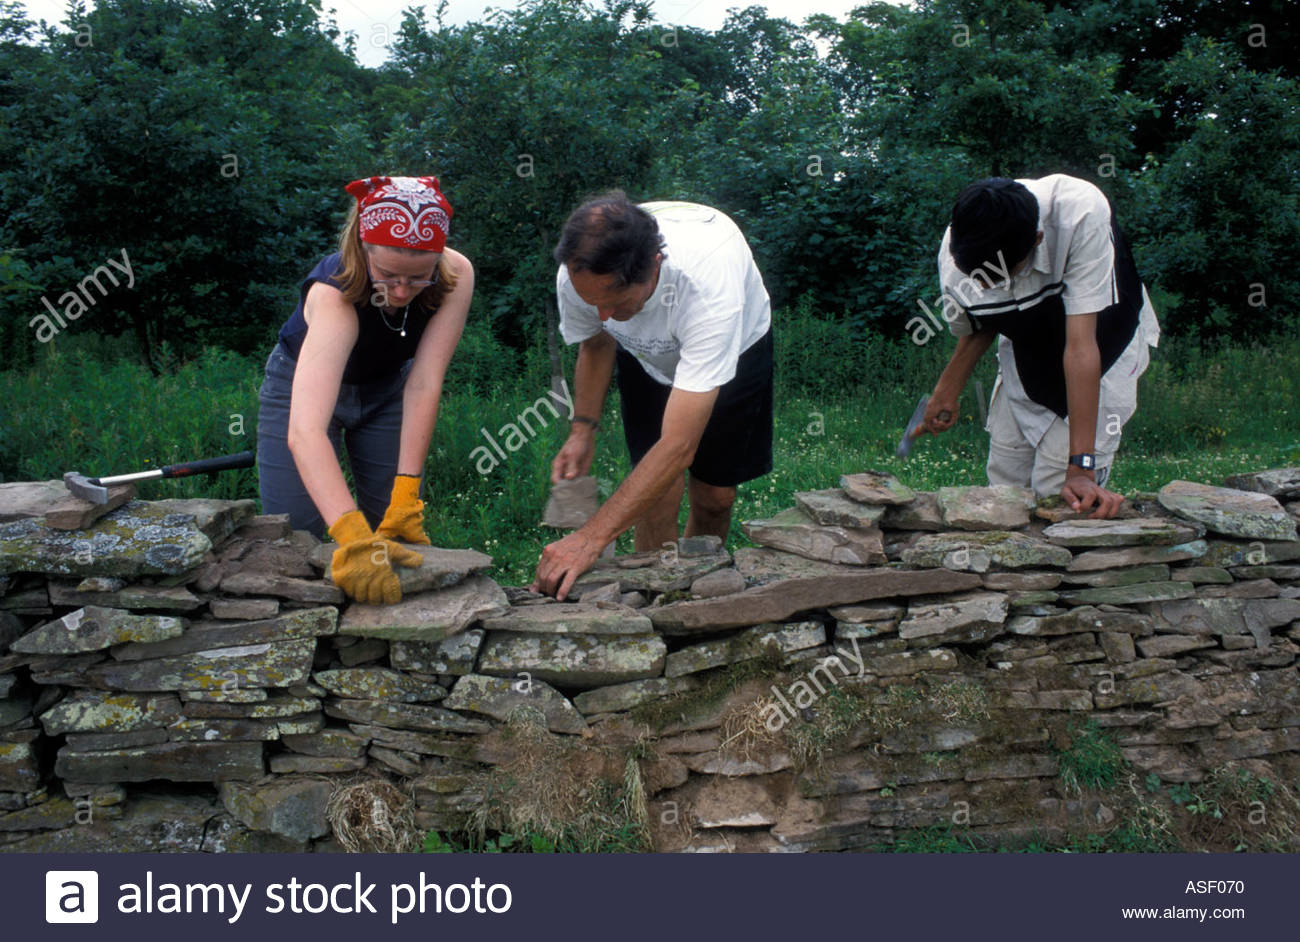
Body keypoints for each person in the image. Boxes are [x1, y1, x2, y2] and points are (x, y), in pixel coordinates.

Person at [531, 194, 774, 601]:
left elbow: (678, 446)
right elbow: (595, 344)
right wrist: (582, 430)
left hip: (735, 349)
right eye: (594, 303)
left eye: (616, 302)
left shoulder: (710, 291)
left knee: (715, 496)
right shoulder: (581, 274)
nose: (603, 315)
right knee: (658, 494)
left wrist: (589, 539)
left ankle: (698, 591)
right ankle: (656, 600)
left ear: (654, 266)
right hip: (647, 355)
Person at [256, 176, 474, 604]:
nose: (400, 292)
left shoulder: (456, 274)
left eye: (418, 278)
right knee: (294, 535)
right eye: (389, 275)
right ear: (363, 245)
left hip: (388, 389)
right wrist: (352, 538)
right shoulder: (335, 296)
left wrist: (407, 493)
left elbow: (425, 382)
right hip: (300, 392)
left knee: (395, 530)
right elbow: (305, 432)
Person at [919, 174, 1160, 518]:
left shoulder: (1080, 214)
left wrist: (1081, 467)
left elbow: (1080, 346)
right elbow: (982, 321)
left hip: (1100, 343)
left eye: (995, 278)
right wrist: (946, 390)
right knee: (1004, 488)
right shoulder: (959, 251)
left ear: (1036, 240)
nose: (983, 285)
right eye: (976, 277)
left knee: (1058, 494)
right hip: (1026, 348)